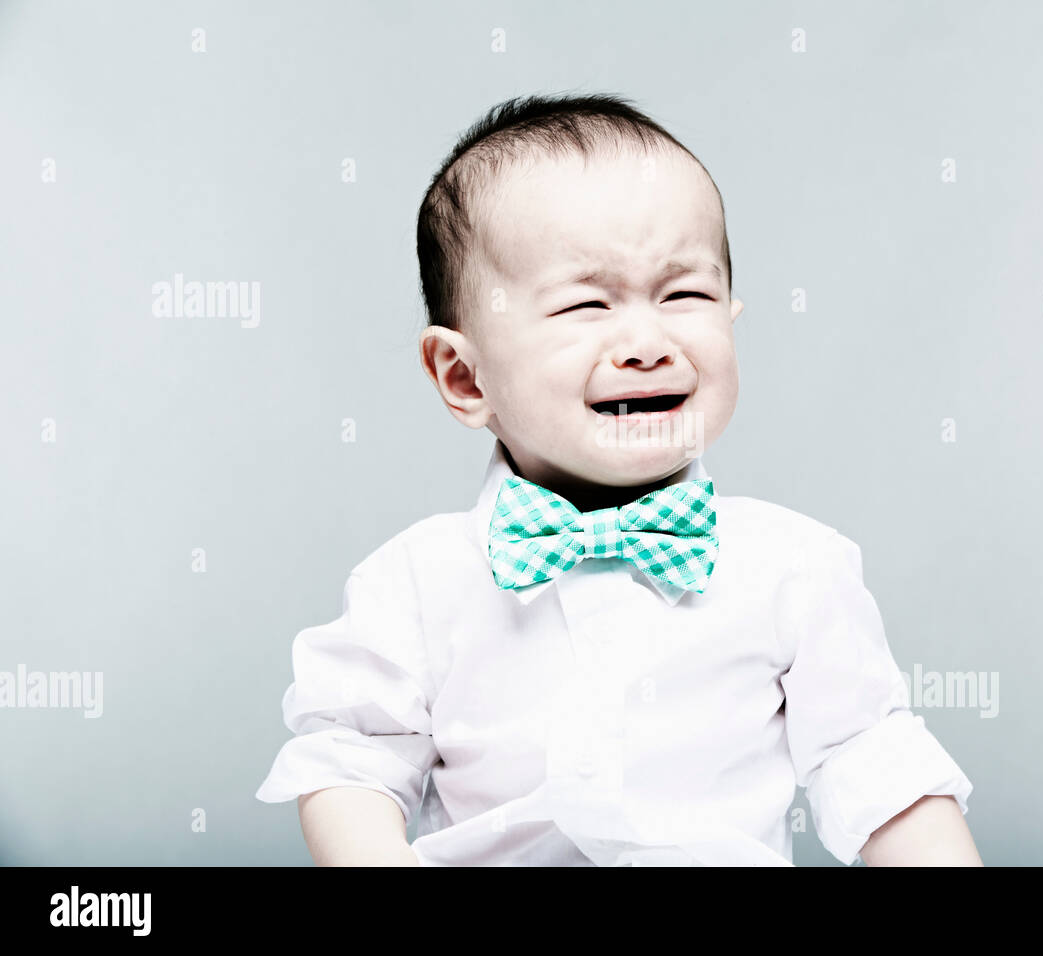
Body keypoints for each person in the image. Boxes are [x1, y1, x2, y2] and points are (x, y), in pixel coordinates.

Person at [255, 92, 981, 866]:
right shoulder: (413, 585)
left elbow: (876, 768)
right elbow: (353, 762)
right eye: (585, 305)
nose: (646, 340)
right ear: (466, 378)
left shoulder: (795, 567)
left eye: (685, 294)